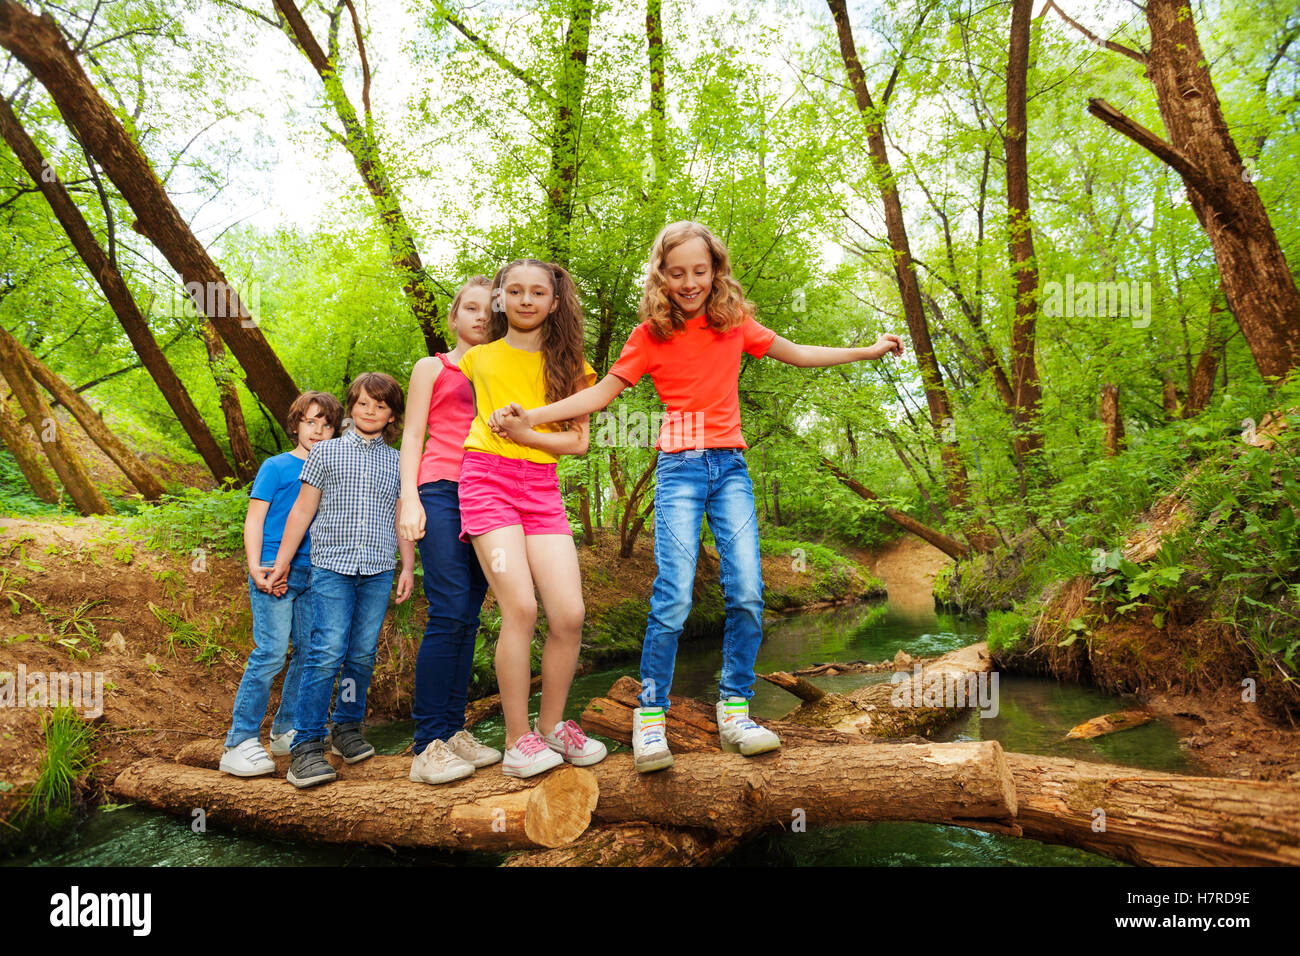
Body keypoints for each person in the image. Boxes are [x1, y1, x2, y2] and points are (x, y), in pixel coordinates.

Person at [491, 221, 903, 772]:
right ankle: (651, 715)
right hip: (680, 470)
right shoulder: (649, 335)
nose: (689, 283)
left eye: (700, 272)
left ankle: (735, 710)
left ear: (716, 272)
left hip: (729, 468)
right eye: (677, 273)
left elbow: (798, 353)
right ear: (662, 275)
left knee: (749, 592)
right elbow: (601, 393)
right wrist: (532, 416)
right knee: (675, 596)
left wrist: (868, 350)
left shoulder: (735, 326)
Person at [458, 258, 608, 778]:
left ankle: (551, 729)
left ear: (554, 300)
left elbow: (578, 441)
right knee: (520, 607)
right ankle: (516, 740)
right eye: (514, 291)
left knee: (568, 615)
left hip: (542, 489)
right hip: (487, 482)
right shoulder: (477, 358)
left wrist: (526, 434)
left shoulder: (571, 365)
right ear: (500, 299)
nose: (526, 300)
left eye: (537, 292)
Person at [268, 373, 415, 788]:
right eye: (364, 403)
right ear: (351, 407)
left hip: (379, 570)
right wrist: (281, 563)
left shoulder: (399, 461)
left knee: (362, 655)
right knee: (326, 652)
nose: (371, 411)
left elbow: (402, 519)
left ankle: (347, 728)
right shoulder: (326, 453)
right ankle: (306, 746)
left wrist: (406, 567)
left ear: (391, 416)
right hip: (331, 567)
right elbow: (301, 511)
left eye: (381, 406)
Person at [397, 277, 501, 785]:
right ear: (455, 318)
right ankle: (426, 746)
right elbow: (413, 433)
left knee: (469, 615)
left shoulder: (502, 370)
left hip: (488, 495)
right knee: (448, 610)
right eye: (472, 308)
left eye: (490, 309)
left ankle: (455, 731)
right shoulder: (432, 367)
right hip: (440, 489)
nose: (481, 316)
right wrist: (410, 499)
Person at [220, 391, 342, 777]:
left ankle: (285, 729)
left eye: (326, 424)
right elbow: (255, 519)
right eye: (311, 422)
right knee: (271, 651)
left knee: (308, 652)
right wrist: (256, 565)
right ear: (295, 425)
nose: (318, 430)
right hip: (275, 566)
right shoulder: (276, 466)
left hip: (317, 570)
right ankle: (238, 741)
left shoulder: (334, 469)